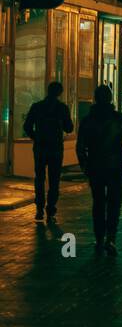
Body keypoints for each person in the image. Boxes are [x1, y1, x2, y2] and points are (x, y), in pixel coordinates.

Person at [76, 84, 122, 255]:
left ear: (95, 99)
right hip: (115, 168)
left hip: (95, 167)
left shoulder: (87, 120)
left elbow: (80, 147)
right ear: (110, 99)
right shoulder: (119, 119)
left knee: (98, 203)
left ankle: (99, 237)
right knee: (114, 203)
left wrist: (85, 165)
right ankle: (111, 238)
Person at [23, 80, 74, 224]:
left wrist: (36, 137)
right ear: (59, 93)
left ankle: (39, 208)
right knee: (54, 179)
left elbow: (27, 126)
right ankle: (50, 208)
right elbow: (69, 128)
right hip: (56, 148)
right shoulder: (61, 108)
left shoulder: (37, 107)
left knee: (39, 178)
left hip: (40, 148)